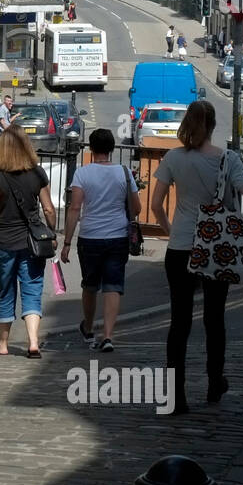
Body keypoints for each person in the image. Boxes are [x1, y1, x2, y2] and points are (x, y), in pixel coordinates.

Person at [150, 101, 243, 414]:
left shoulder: (173, 157)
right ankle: (215, 382)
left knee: (179, 322)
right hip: (217, 248)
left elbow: (157, 204)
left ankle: (176, 397)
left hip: (180, 248)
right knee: (215, 318)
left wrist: (171, 230)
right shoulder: (229, 159)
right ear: (213, 125)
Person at [0, 125, 57, 357]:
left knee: (6, 291)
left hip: (4, 241)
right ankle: (33, 343)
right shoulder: (37, 173)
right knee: (32, 290)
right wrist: (51, 233)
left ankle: (2, 345)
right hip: (32, 243)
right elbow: (49, 208)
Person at [61, 128, 139, 353]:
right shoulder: (124, 173)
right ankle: (108, 336)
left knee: (90, 285)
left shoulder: (82, 174)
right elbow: (136, 207)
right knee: (113, 286)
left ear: (91, 149)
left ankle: (88, 327)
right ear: (112, 149)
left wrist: (67, 243)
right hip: (118, 236)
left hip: (90, 237)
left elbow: (75, 207)